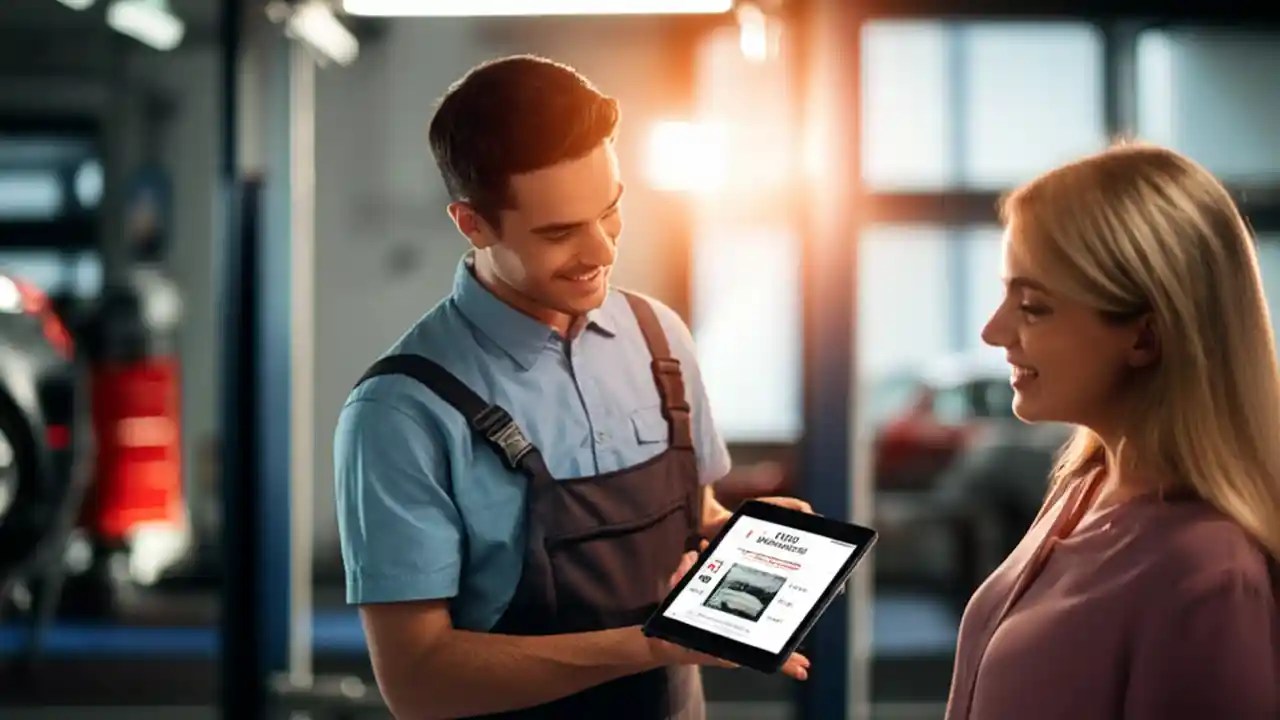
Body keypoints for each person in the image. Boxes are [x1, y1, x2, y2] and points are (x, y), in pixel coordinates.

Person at [333, 55, 811, 720]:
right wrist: (648, 647)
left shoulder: (660, 339)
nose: (603, 252)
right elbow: (418, 680)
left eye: (611, 212)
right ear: (472, 224)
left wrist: (758, 550)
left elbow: (692, 521)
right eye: (560, 232)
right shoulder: (401, 412)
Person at [945, 141, 1280, 720]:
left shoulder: (1209, 576)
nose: (993, 331)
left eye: (1032, 306)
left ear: (1146, 337)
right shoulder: (1085, 490)